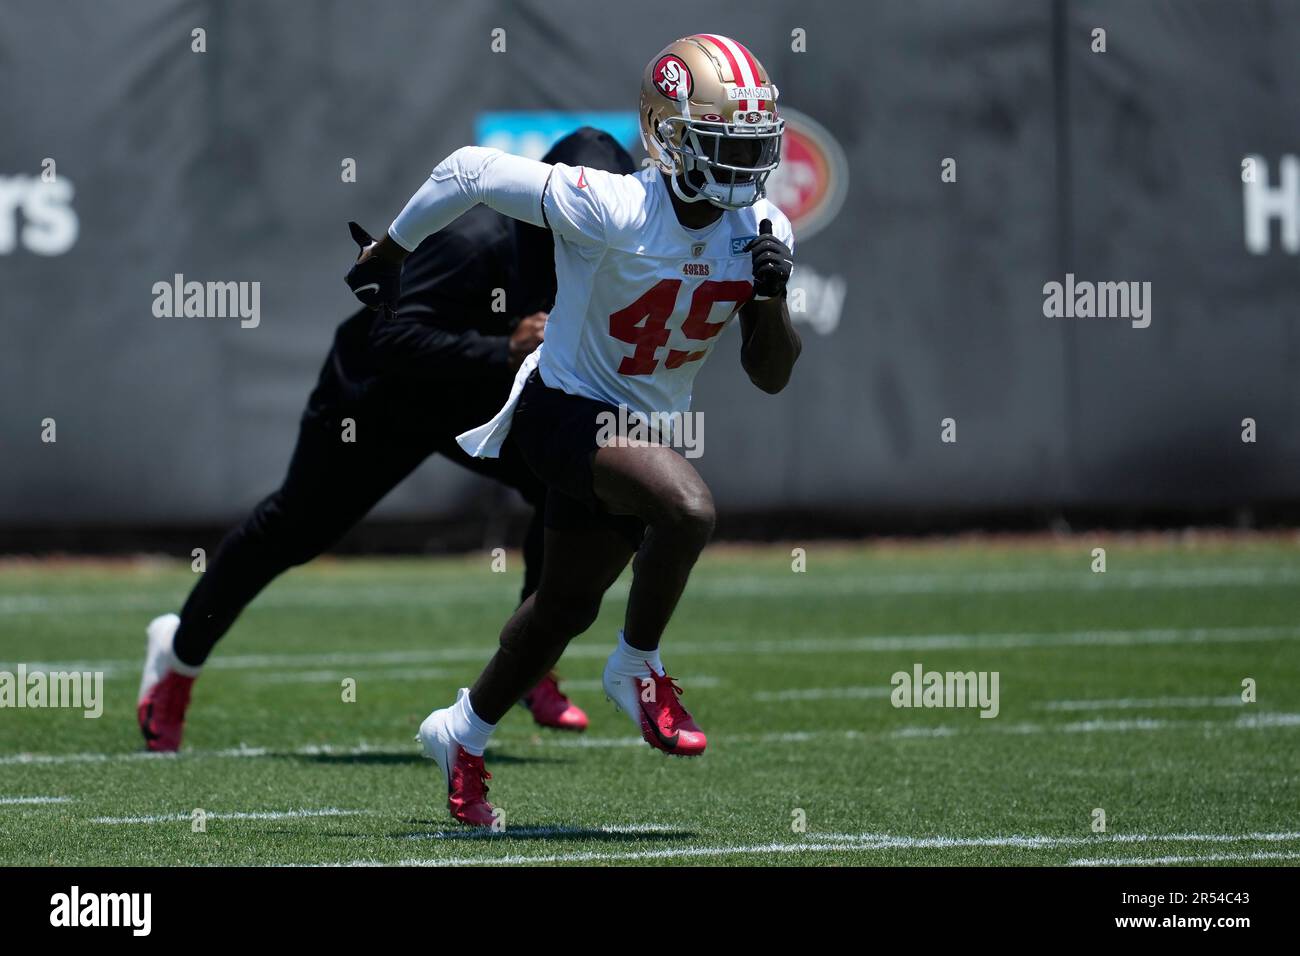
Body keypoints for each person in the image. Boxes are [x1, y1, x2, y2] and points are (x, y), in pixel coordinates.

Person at [346, 35, 800, 826]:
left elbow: (771, 372)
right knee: (689, 510)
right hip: (564, 411)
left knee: (562, 607)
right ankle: (638, 666)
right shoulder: (617, 204)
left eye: (751, 147)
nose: (739, 167)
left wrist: (770, 298)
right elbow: (470, 170)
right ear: (670, 135)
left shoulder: (762, 228)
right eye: (723, 144)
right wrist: (394, 249)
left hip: (639, 429)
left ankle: (463, 731)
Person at [136, 129, 639, 753]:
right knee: (291, 530)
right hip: (379, 402)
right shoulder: (473, 243)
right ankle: (177, 662)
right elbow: (388, 340)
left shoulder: (603, 250)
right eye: (579, 202)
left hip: (471, 404)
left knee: (566, 487)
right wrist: (503, 346)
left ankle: (533, 662)